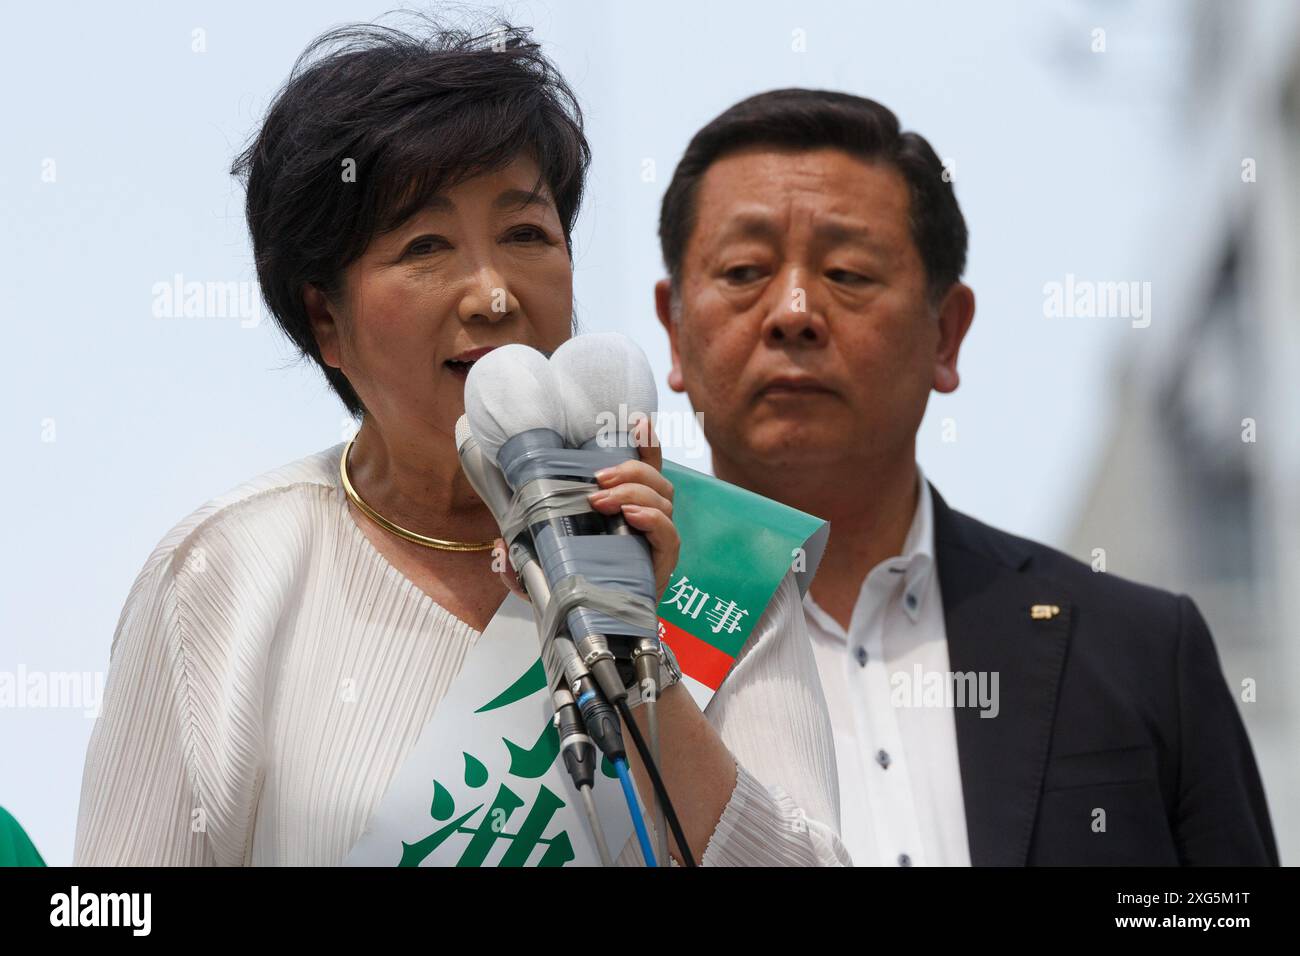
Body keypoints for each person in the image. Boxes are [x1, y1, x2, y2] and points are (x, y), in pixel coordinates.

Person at [73, 19, 846, 867]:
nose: (493, 296)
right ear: (326, 318)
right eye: (425, 247)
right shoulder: (228, 576)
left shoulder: (715, 559)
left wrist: (632, 649)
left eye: (526, 236)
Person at [653, 88, 1279, 865]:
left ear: (946, 334)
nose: (794, 311)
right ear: (674, 331)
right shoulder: (599, 642)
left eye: (847, 272)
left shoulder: (1142, 651)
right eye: (745, 269)